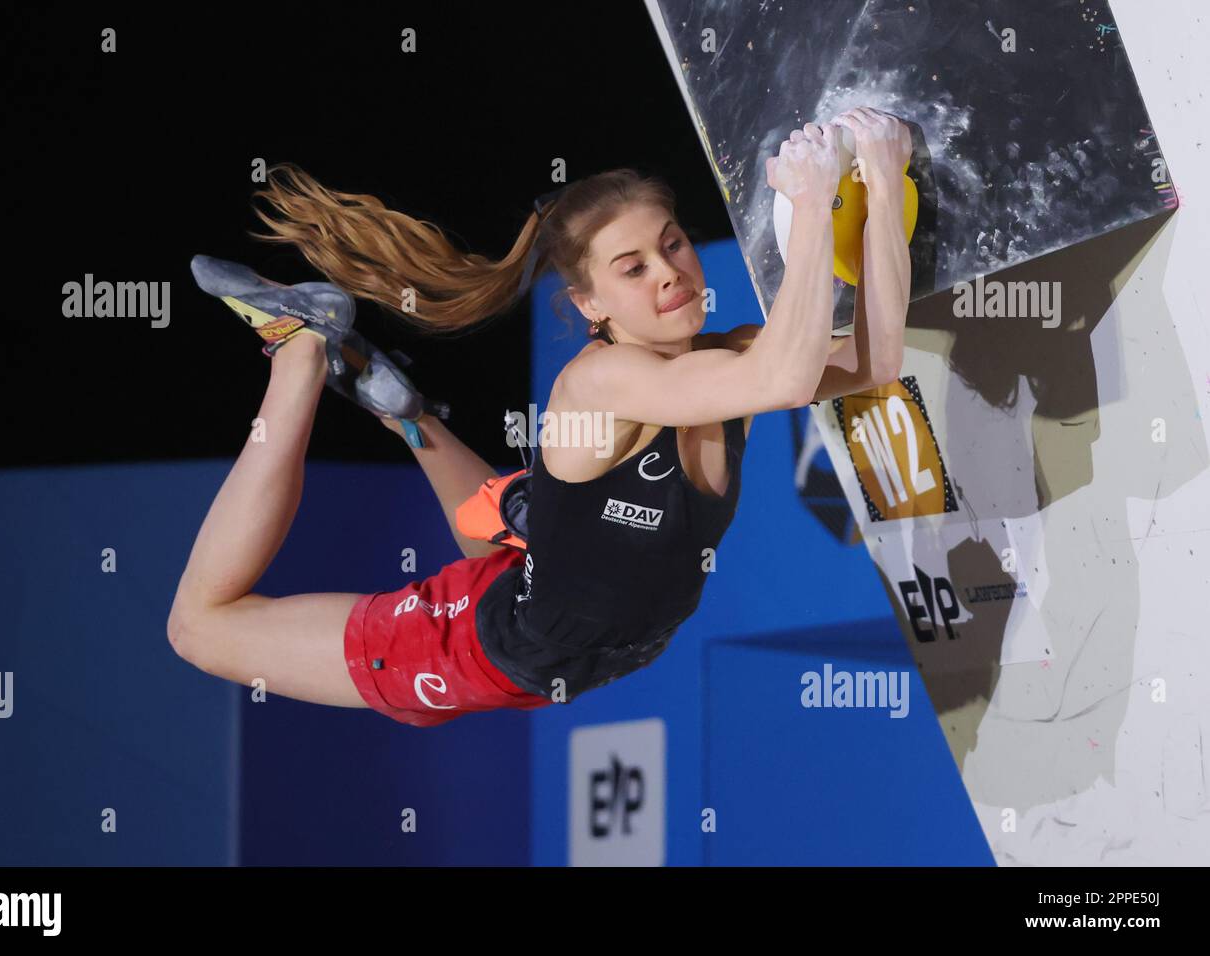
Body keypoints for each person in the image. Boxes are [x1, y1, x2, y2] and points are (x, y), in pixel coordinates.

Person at [167, 107, 913, 727]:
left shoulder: (735, 358)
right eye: (632, 269)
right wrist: (815, 206)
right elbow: (784, 377)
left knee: (501, 531)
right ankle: (298, 356)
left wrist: (881, 186)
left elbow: (874, 362)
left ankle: (408, 414)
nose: (669, 273)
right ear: (589, 305)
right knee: (198, 629)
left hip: (552, 614)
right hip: (487, 645)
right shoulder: (601, 381)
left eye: (672, 244)